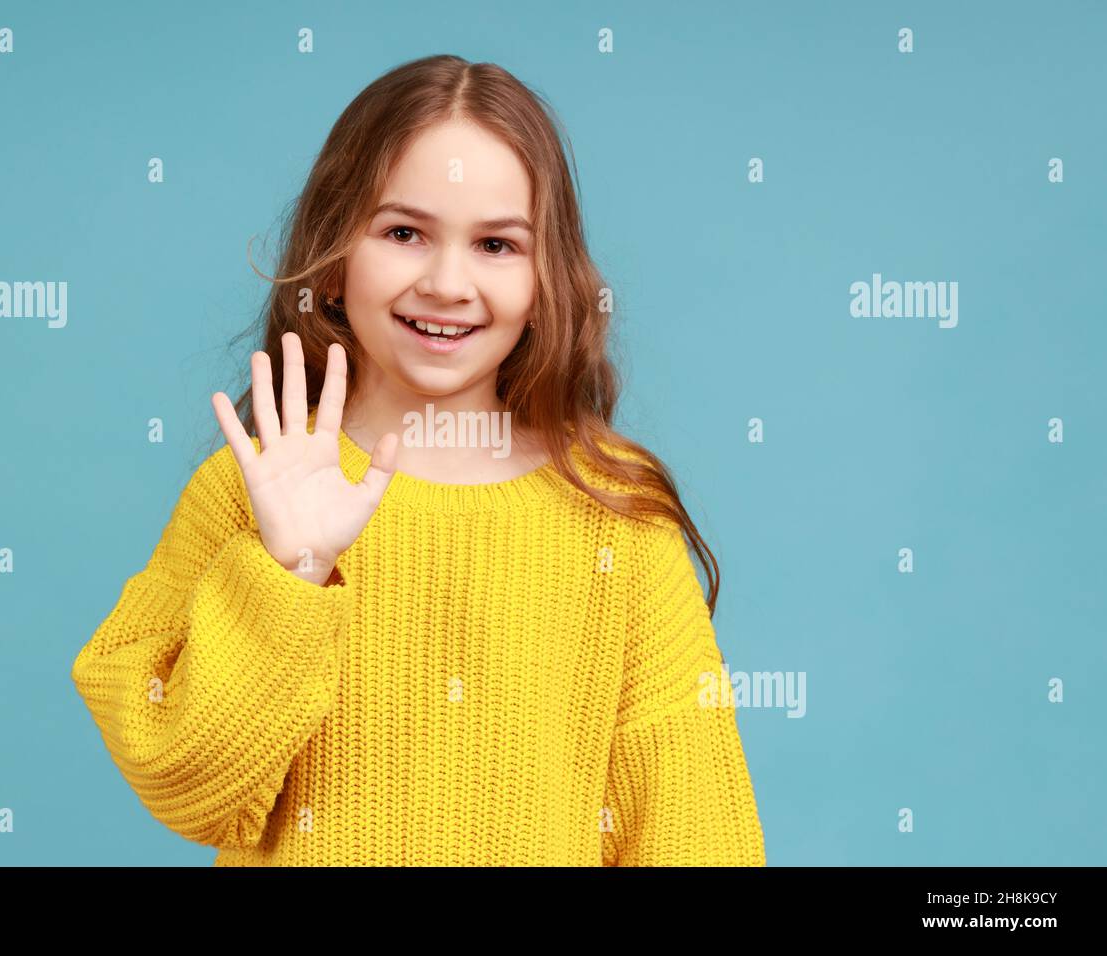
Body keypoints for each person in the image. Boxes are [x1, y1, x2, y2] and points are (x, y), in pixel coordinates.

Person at [71, 54, 766, 867]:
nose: (447, 282)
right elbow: (189, 784)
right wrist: (291, 572)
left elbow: (696, 836)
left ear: (547, 281)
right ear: (334, 261)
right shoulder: (248, 487)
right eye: (404, 233)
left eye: (497, 245)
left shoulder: (614, 511)